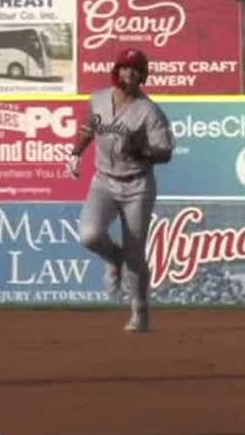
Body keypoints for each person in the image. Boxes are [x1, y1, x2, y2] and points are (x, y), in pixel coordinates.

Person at [67, 49, 176, 333]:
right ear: (116, 70)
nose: (128, 74)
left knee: (136, 254)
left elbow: (165, 154)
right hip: (104, 181)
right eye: (124, 68)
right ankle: (114, 259)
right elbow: (90, 127)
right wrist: (76, 153)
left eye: (135, 70)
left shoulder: (149, 111)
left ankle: (140, 312)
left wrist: (142, 151)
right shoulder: (99, 98)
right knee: (89, 235)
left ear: (142, 76)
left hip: (137, 185)